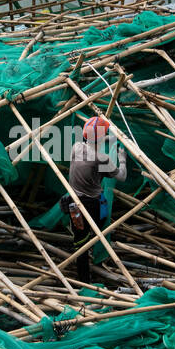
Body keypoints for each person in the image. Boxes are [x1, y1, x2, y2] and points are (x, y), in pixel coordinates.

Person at [65, 114, 127, 285]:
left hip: (73, 203)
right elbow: (122, 176)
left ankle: (83, 274)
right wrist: (122, 158)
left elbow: (93, 141)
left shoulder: (76, 147)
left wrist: (109, 138)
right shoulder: (102, 159)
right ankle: (86, 278)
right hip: (91, 205)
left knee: (80, 238)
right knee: (93, 231)